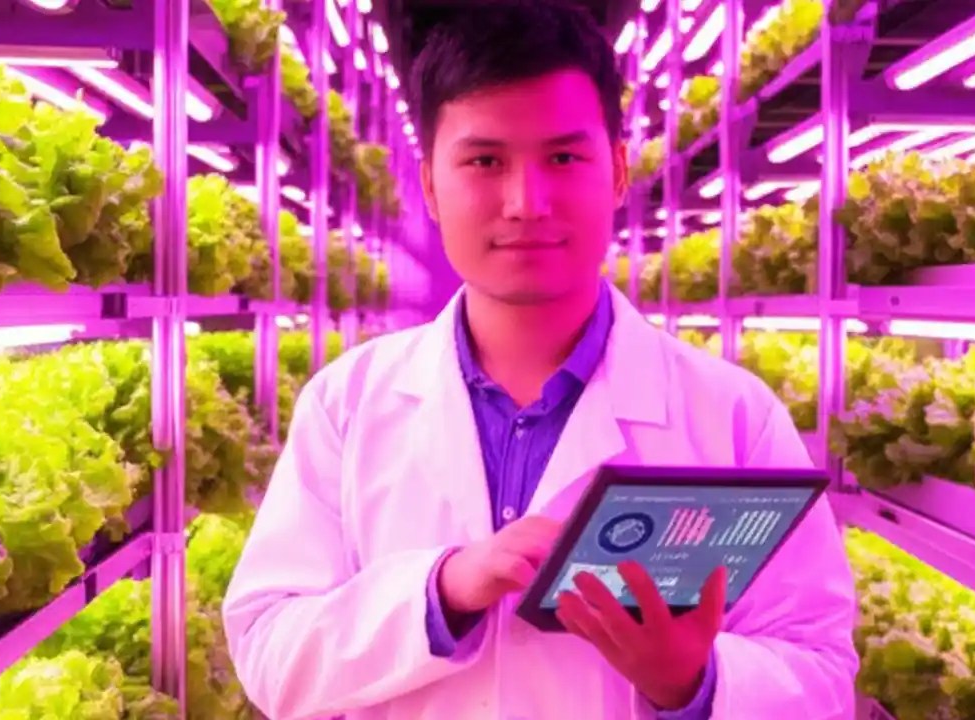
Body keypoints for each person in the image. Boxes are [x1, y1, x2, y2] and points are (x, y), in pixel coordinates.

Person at [221, 2, 858, 718]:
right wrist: (442, 590)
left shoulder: (733, 415)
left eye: (563, 157)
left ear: (617, 170)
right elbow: (271, 653)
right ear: (431, 183)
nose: (527, 202)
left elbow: (823, 671)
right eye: (485, 160)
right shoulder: (346, 405)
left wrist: (694, 682)